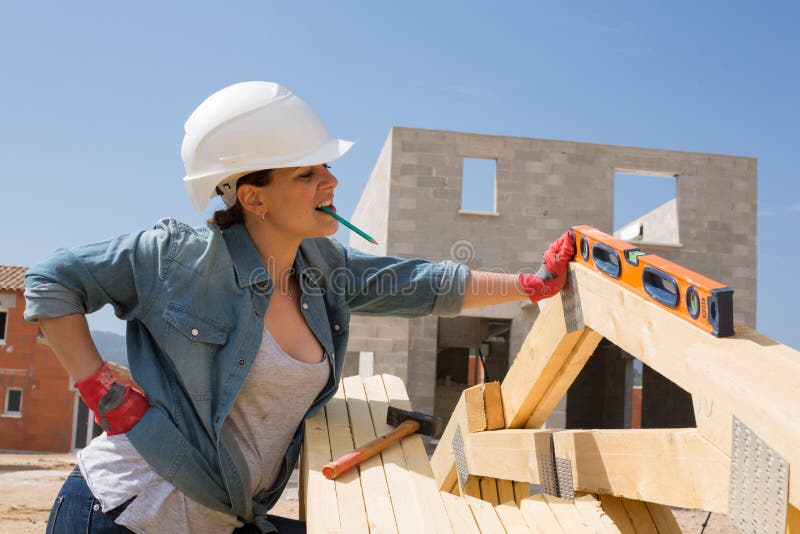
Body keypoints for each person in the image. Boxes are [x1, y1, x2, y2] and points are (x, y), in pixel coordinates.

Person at [24, 81, 575, 533]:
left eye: (325, 169)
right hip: (121, 516)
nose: (330, 181)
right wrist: (100, 389)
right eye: (306, 173)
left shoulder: (322, 269)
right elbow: (52, 281)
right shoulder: (180, 259)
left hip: (227, 517)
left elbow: (420, 283)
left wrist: (532, 283)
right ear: (253, 197)